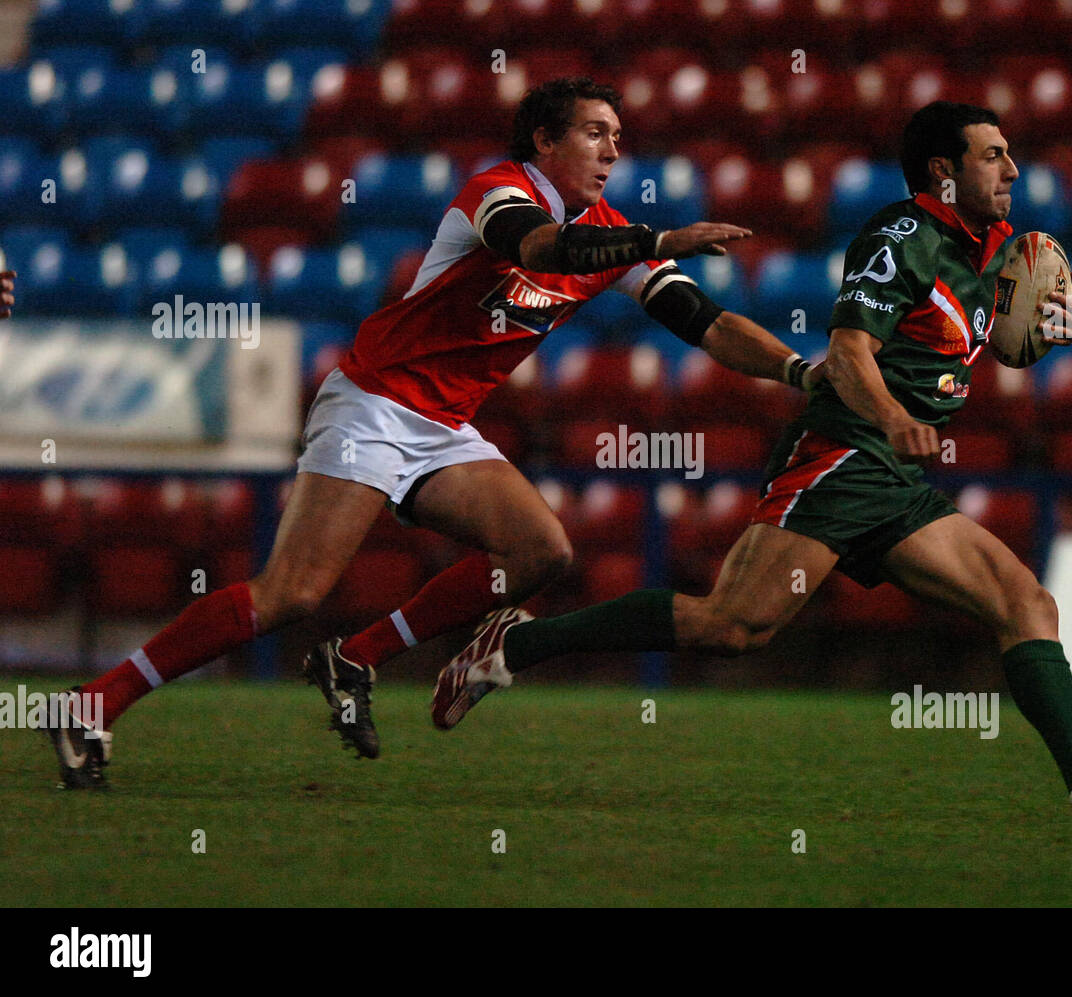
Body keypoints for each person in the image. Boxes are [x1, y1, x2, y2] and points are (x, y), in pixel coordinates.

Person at [435, 101, 1072, 827]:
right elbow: (849, 348)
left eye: (1010, 156)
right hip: (845, 455)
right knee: (732, 625)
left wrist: (1036, 334)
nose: (1011, 170)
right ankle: (513, 644)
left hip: (894, 481)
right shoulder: (903, 236)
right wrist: (895, 417)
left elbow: (982, 346)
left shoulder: (981, 258)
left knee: (1024, 602)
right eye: (993, 156)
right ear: (944, 171)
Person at [46, 77, 820, 788]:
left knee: (540, 549)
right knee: (294, 591)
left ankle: (357, 656)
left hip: (444, 425)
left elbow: (706, 322)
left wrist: (798, 372)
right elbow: (538, 249)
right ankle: (91, 703)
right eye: (594, 132)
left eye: (617, 134)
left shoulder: (609, 231)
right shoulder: (499, 192)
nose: (613, 148)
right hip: (374, 402)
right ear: (545, 142)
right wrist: (657, 239)